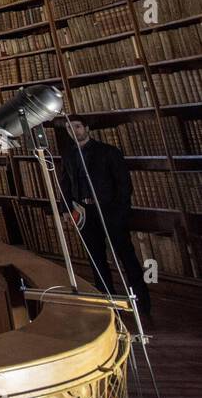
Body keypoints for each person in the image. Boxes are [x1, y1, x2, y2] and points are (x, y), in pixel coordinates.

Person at [57, 118, 151, 317]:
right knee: (96, 259)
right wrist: (65, 209)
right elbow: (64, 183)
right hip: (84, 213)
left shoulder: (108, 152)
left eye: (77, 126)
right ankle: (108, 303)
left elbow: (124, 184)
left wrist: (120, 212)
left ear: (87, 129)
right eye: (69, 128)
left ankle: (142, 304)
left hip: (109, 211)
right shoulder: (68, 154)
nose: (74, 131)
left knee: (126, 257)